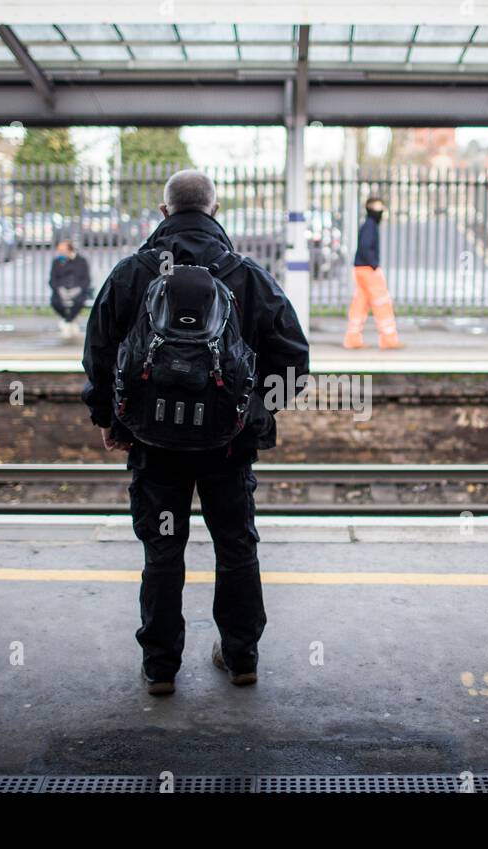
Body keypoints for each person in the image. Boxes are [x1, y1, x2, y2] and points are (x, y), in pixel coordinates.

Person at [81, 169, 310, 696]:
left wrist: (111, 421)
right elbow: (294, 361)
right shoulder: (246, 276)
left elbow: (98, 355)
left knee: (162, 549)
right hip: (227, 448)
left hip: (154, 446)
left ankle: (161, 667)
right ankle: (241, 657)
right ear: (215, 209)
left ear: (164, 212)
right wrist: (252, 413)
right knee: (235, 547)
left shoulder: (132, 273)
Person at [344, 196, 403, 350]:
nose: (380, 212)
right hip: (369, 270)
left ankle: (352, 338)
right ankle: (389, 339)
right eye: (378, 208)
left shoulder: (367, 225)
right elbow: (365, 246)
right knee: (382, 303)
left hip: (360, 269)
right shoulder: (370, 226)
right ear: (370, 209)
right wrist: (374, 265)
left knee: (360, 304)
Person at [49, 238, 91, 340]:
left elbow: (86, 279)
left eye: (62, 251)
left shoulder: (81, 261)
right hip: (61, 290)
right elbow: (52, 279)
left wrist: (77, 289)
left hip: (78, 290)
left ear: (69, 250)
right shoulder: (56, 262)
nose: (60, 253)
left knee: (79, 301)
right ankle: (69, 321)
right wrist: (59, 289)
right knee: (55, 302)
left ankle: (67, 322)